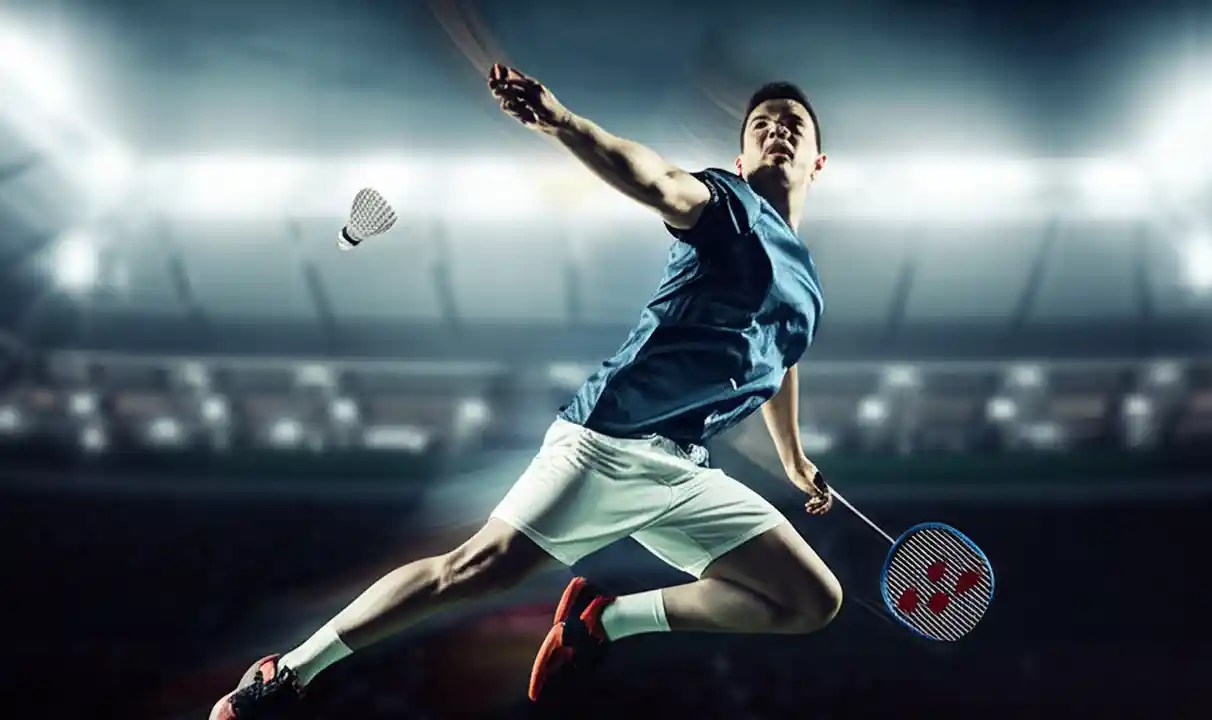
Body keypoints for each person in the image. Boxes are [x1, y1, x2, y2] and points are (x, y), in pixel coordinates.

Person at [210, 63, 838, 719]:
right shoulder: (726, 206)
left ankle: (602, 622)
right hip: (612, 441)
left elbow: (781, 355)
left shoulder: (807, 287)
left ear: (817, 162)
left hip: (685, 469)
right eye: (761, 125)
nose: (776, 131)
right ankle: (287, 671)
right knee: (473, 569)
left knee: (809, 599)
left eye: (792, 124)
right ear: (740, 158)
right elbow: (653, 178)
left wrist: (794, 461)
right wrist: (562, 123)